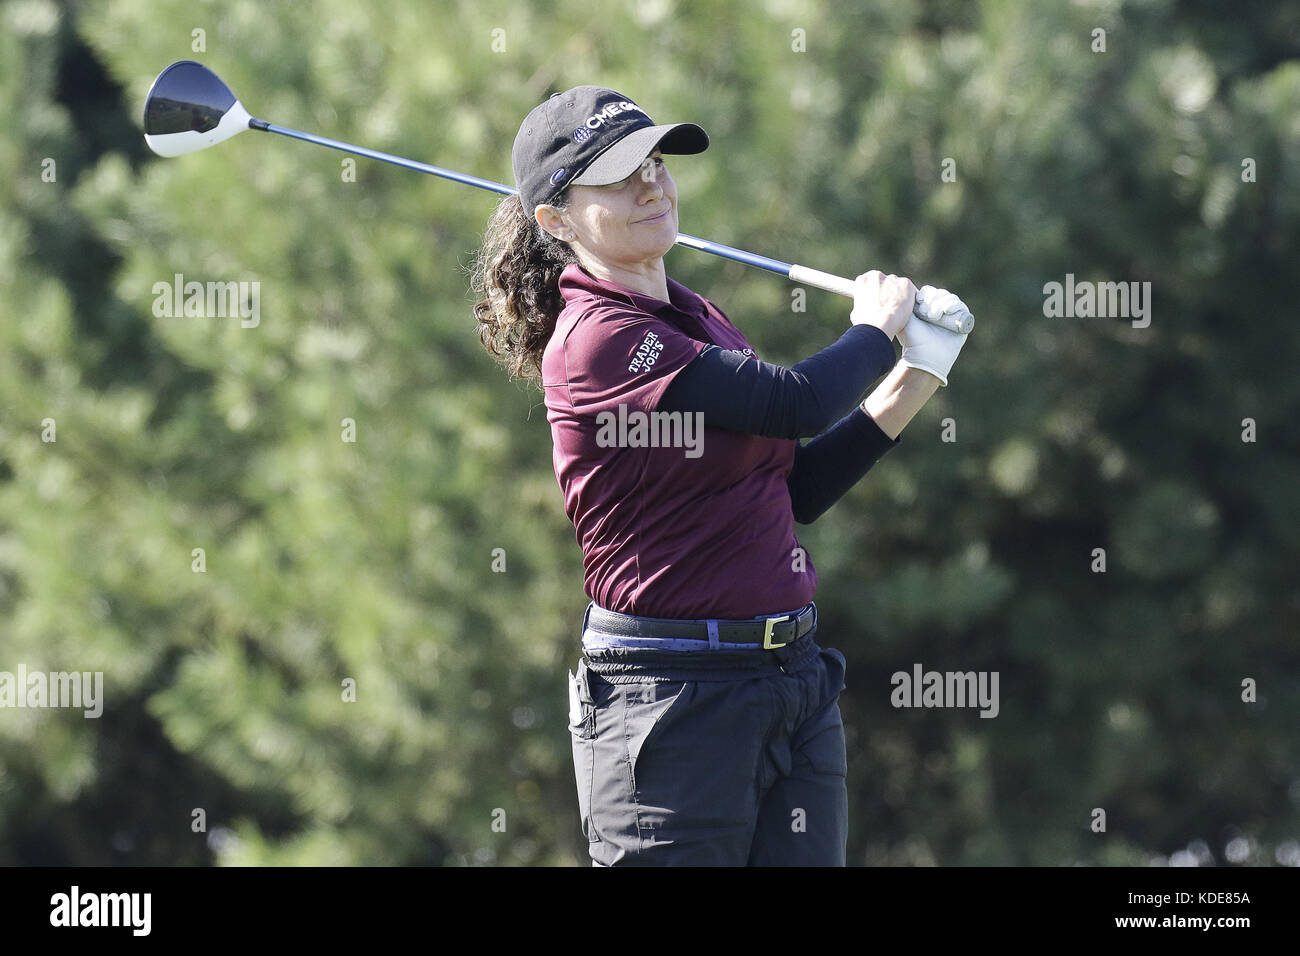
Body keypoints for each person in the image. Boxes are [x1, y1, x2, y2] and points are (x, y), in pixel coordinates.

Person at [472, 85, 969, 866]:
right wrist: (875, 328)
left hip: (792, 681)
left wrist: (919, 372)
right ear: (556, 221)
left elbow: (794, 487)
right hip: (668, 705)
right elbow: (796, 402)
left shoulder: (695, 316)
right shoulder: (596, 340)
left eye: (656, 162)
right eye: (619, 173)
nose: (652, 184)